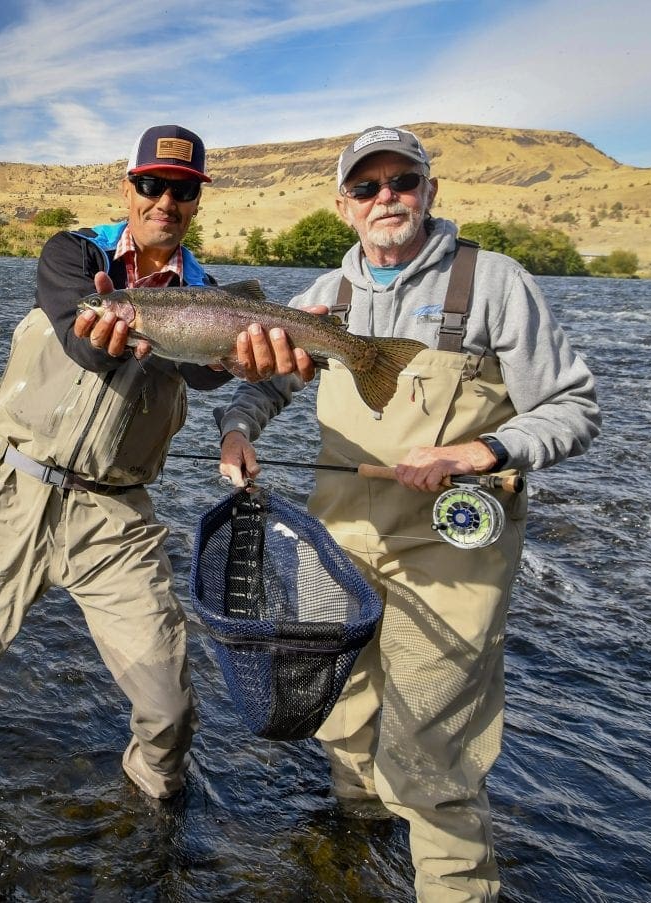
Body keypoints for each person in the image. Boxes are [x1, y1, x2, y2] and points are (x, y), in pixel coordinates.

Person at [217, 126, 600, 900]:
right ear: (344, 205)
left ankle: (456, 883)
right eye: (367, 187)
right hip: (340, 542)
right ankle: (356, 850)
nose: (385, 197)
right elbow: (266, 387)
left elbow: (574, 408)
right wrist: (236, 428)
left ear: (430, 192)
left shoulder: (493, 282)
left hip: (451, 554)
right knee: (344, 711)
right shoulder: (325, 295)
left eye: (402, 182)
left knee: (430, 749)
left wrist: (479, 451)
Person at [0, 124, 314, 801]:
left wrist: (256, 358)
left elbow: (207, 380)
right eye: (151, 184)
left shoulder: (209, 290)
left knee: (170, 708)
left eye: (181, 190)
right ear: (128, 187)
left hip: (115, 517)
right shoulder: (71, 251)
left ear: (195, 201)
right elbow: (85, 345)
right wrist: (124, 330)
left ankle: (151, 815)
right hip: (12, 489)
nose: (164, 201)